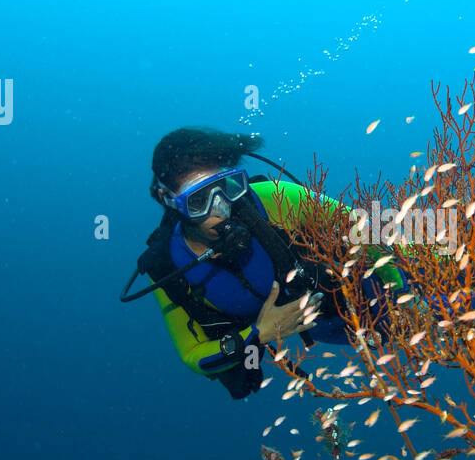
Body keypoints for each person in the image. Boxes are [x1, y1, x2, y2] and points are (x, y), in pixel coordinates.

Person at [120, 127, 407, 399]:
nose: (221, 208)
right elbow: (192, 354)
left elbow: (365, 230)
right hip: (322, 327)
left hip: (360, 296)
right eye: (198, 201)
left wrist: (402, 293)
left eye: (228, 187)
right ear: (168, 201)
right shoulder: (168, 267)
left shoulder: (272, 199)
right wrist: (258, 334)